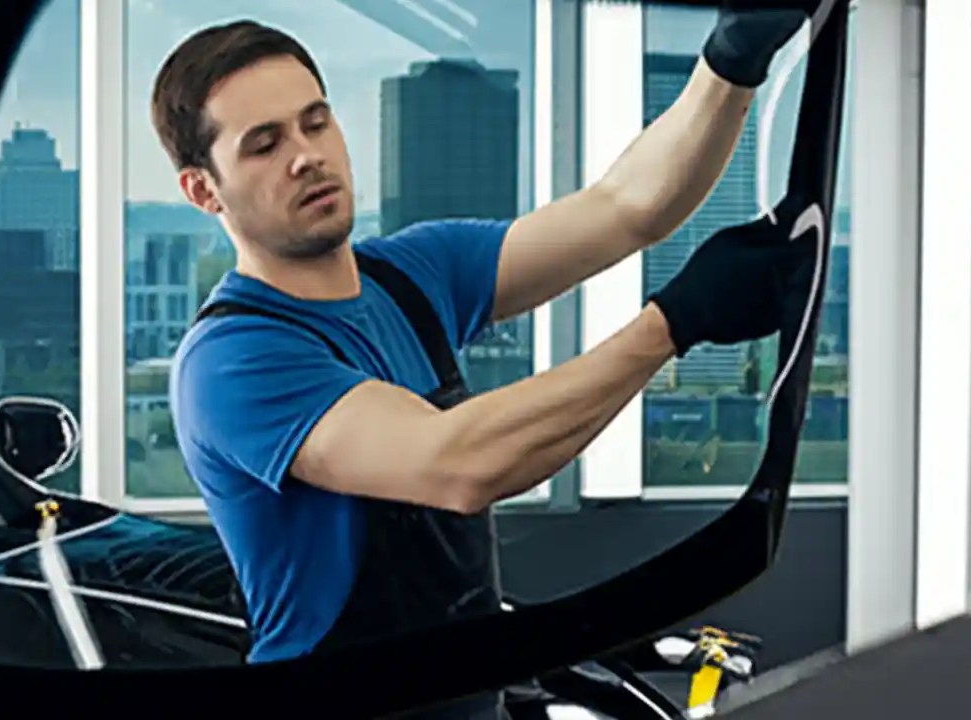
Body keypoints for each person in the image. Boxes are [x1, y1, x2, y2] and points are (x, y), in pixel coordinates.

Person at [155, 6, 808, 717]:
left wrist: (731, 60)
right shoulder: (231, 361)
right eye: (264, 144)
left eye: (316, 122)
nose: (305, 155)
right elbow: (459, 464)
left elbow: (628, 207)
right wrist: (671, 324)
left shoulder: (412, 273)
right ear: (203, 189)